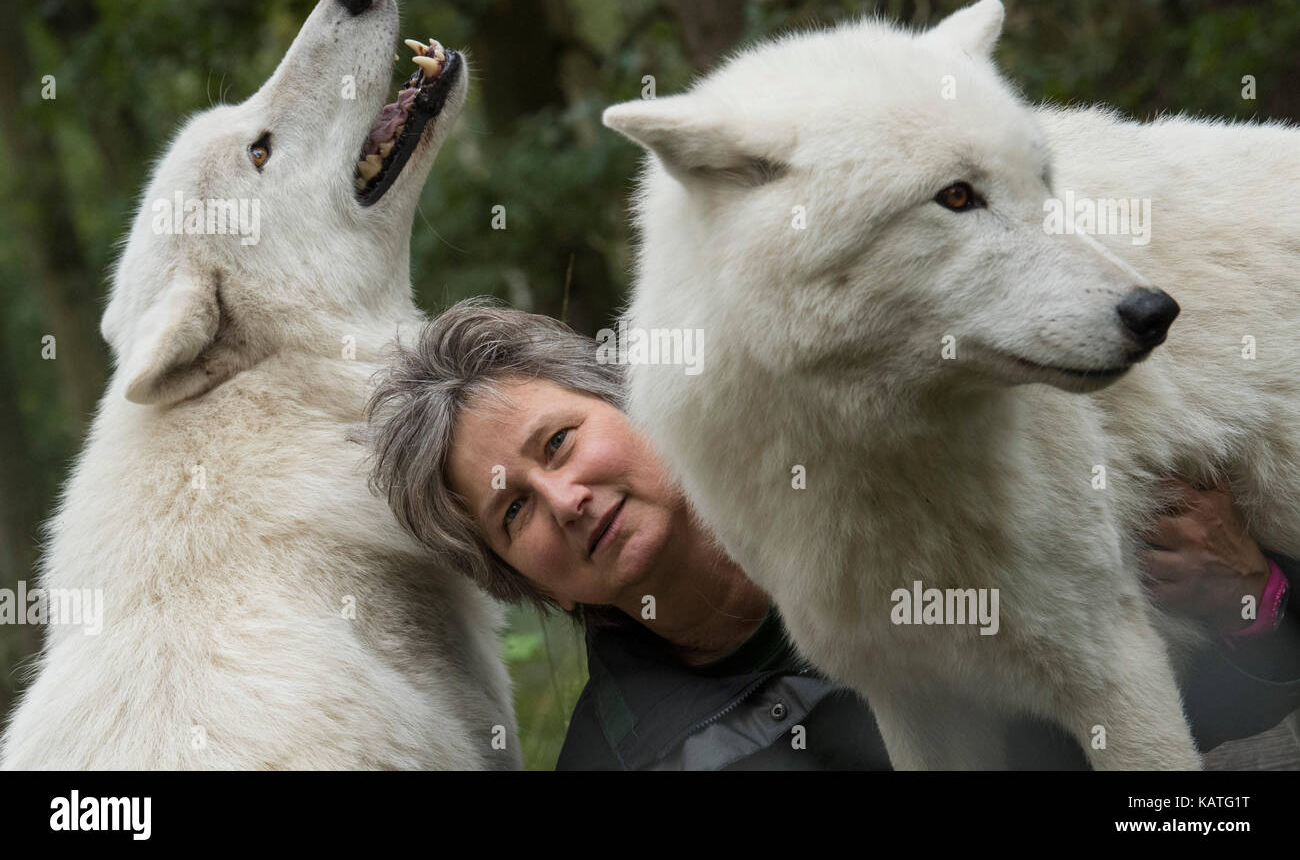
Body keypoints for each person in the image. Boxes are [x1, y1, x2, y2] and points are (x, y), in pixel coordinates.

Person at [366, 297, 1300, 770]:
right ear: (530, 587)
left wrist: (1252, 601)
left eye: (559, 442)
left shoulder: (907, 482)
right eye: (514, 510)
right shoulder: (621, 761)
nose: (564, 496)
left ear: (641, 406)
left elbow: (1225, 718)